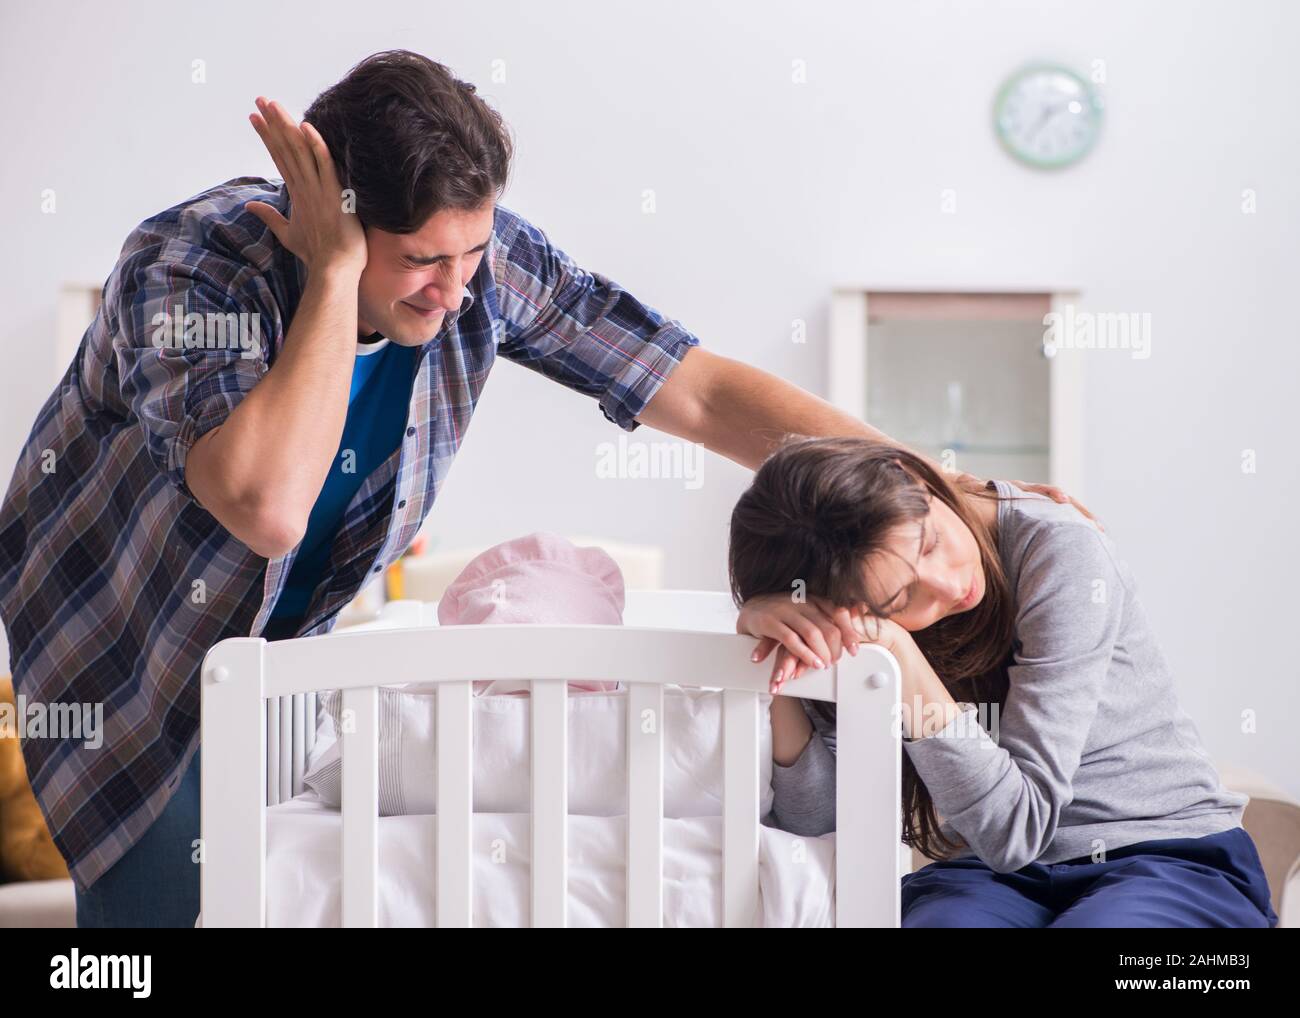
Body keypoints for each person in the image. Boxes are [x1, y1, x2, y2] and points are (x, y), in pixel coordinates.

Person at [733, 435, 1276, 928]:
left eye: (929, 544)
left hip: (1163, 853)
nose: (948, 584)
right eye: (901, 601)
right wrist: (781, 669)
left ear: (919, 481)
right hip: (984, 875)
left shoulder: (1059, 550)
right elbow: (823, 824)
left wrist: (901, 652)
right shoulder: (853, 614)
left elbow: (1019, 829)